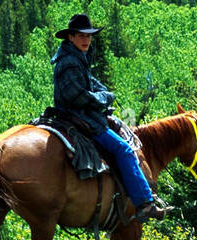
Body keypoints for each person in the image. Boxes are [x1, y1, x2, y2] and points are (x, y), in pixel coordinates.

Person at [51, 13, 169, 222]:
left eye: (89, 36)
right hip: (80, 116)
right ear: (70, 37)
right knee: (123, 149)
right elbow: (76, 95)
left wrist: (104, 93)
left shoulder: (75, 57)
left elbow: (91, 84)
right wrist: (102, 99)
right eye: (81, 36)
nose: (86, 40)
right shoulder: (70, 61)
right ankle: (144, 202)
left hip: (78, 112)